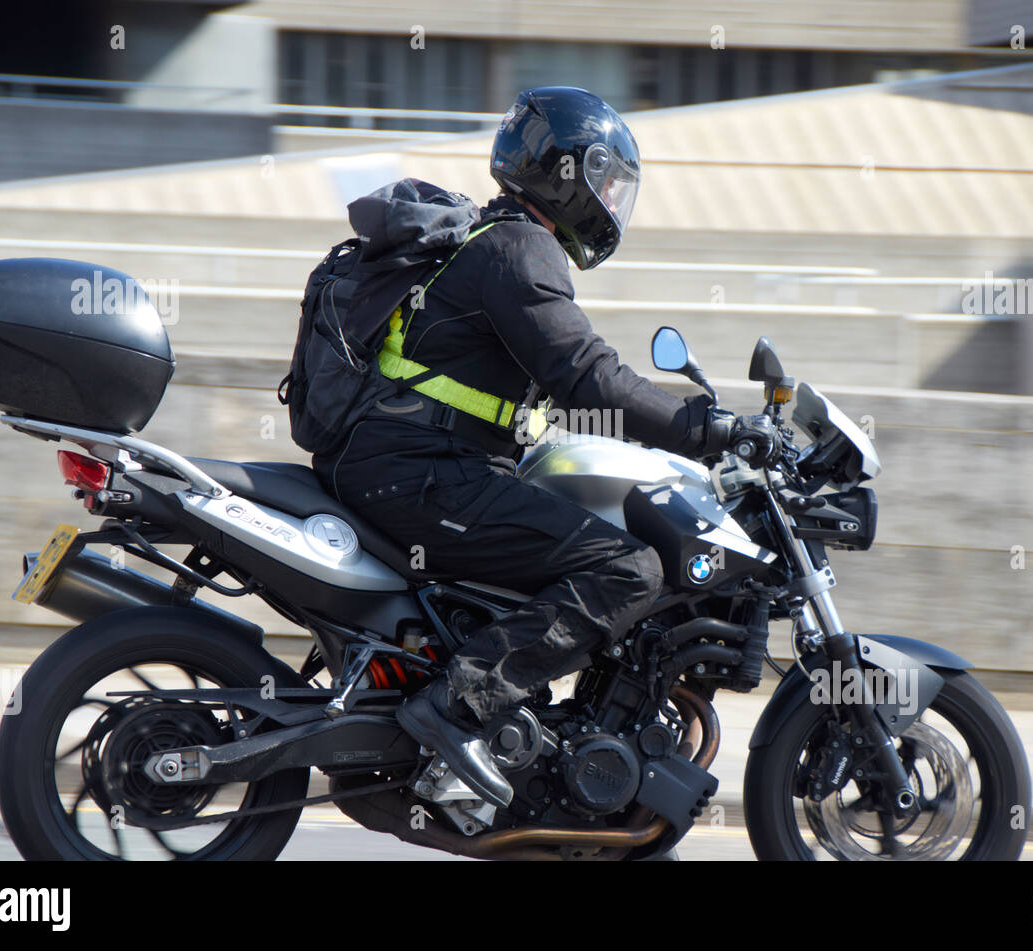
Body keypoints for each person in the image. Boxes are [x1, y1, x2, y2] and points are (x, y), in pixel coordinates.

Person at [314, 86, 764, 808]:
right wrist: (705, 428)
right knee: (629, 568)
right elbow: (590, 378)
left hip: (406, 464)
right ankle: (460, 706)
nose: (613, 204)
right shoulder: (519, 251)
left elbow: (580, 392)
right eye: (606, 183)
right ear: (564, 173)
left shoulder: (492, 242)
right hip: (419, 471)